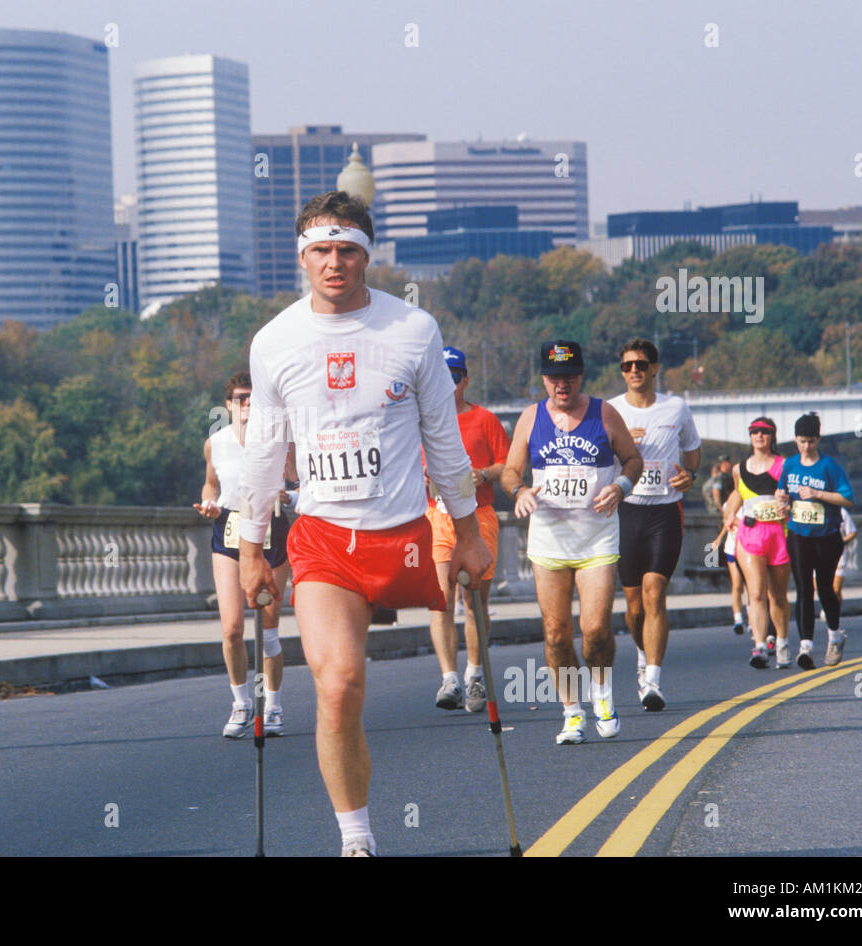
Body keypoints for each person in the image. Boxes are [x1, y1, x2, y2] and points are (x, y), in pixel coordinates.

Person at [236, 191, 490, 856]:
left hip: (404, 533)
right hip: (323, 539)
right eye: (320, 250)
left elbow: (443, 437)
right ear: (302, 258)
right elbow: (262, 453)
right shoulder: (275, 342)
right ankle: (357, 838)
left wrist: (466, 533)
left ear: (368, 257)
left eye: (348, 250)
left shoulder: (413, 329)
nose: (334, 262)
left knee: (351, 679)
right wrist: (250, 546)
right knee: (341, 681)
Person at [500, 340, 642, 745]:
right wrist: (520, 491)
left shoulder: (604, 413)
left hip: (596, 537)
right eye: (554, 378)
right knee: (555, 633)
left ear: (581, 376)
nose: (562, 385)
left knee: (595, 629)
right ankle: (571, 712)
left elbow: (634, 460)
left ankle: (602, 695)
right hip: (549, 538)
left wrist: (621, 486)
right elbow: (510, 470)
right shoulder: (530, 418)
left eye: (570, 377)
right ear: (544, 379)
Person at [193, 372, 295, 737]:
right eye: (240, 398)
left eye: (253, 397)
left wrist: (289, 492)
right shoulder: (215, 443)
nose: (247, 403)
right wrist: (208, 501)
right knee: (233, 629)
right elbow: (212, 482)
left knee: (267, 631)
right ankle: (240, 704)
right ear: (228, 405)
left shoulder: (278, 440)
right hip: (229, 530)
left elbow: (298, 479)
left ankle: (274, 707)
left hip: (271, 532)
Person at [608, 340, 701, 711]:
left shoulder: (675, 407)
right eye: (628, 365)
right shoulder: (610, 410)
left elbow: (692, 448)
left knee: (654, 592)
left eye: (641, 365)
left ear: (655, 368)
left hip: (665, 511)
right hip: (627, 512)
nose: (635, 371)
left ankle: (653, 681)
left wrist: (690, 474)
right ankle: (642, 655)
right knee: (633, 607)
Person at [426, 345, 510, 713]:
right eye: (442, 377)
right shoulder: (425, 420)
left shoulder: (485, 420)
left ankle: (475, 673)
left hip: (479, 515)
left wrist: (483, 474)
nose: (449, 384)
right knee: (441, 599)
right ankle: (449, 679)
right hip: (438, 516)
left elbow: (508, 465)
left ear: (465, 380)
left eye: (455, 377)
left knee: (473, 599)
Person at [775, 413, 854, 668]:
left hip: (827, 537)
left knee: (825, 588)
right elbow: (783, 496)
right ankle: (806, 646)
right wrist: (782, 506)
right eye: (801, 441)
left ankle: (834, 635)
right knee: (803, 589)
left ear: (818, 440)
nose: (806, 446)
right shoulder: (789, 465)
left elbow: (847, 499)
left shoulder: (829, 467)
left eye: (810, 441)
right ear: (795, 440)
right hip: (798, 534)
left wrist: (818, 493)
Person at [722, 418, 791, 668]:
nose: (759, 436)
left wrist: (789, 506)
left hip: (779, 534)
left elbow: (794, 496)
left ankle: (782, 642)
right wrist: (730, 514)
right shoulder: (740, 468)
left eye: (765, 432)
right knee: (756, 594)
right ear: (750, 436)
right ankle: (760, 646)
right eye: (755, 432)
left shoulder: (784, 466)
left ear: (773, 436)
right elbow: (738, 494)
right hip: (751, 534)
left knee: (778, 596)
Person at [833, 506, 858, 609]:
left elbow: (852, 531)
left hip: (839, 555)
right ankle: (828, 608)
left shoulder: (841, 511)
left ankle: (833, 616)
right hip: (820, 555)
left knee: (836, 589)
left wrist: (841, 542)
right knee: (820, 588)